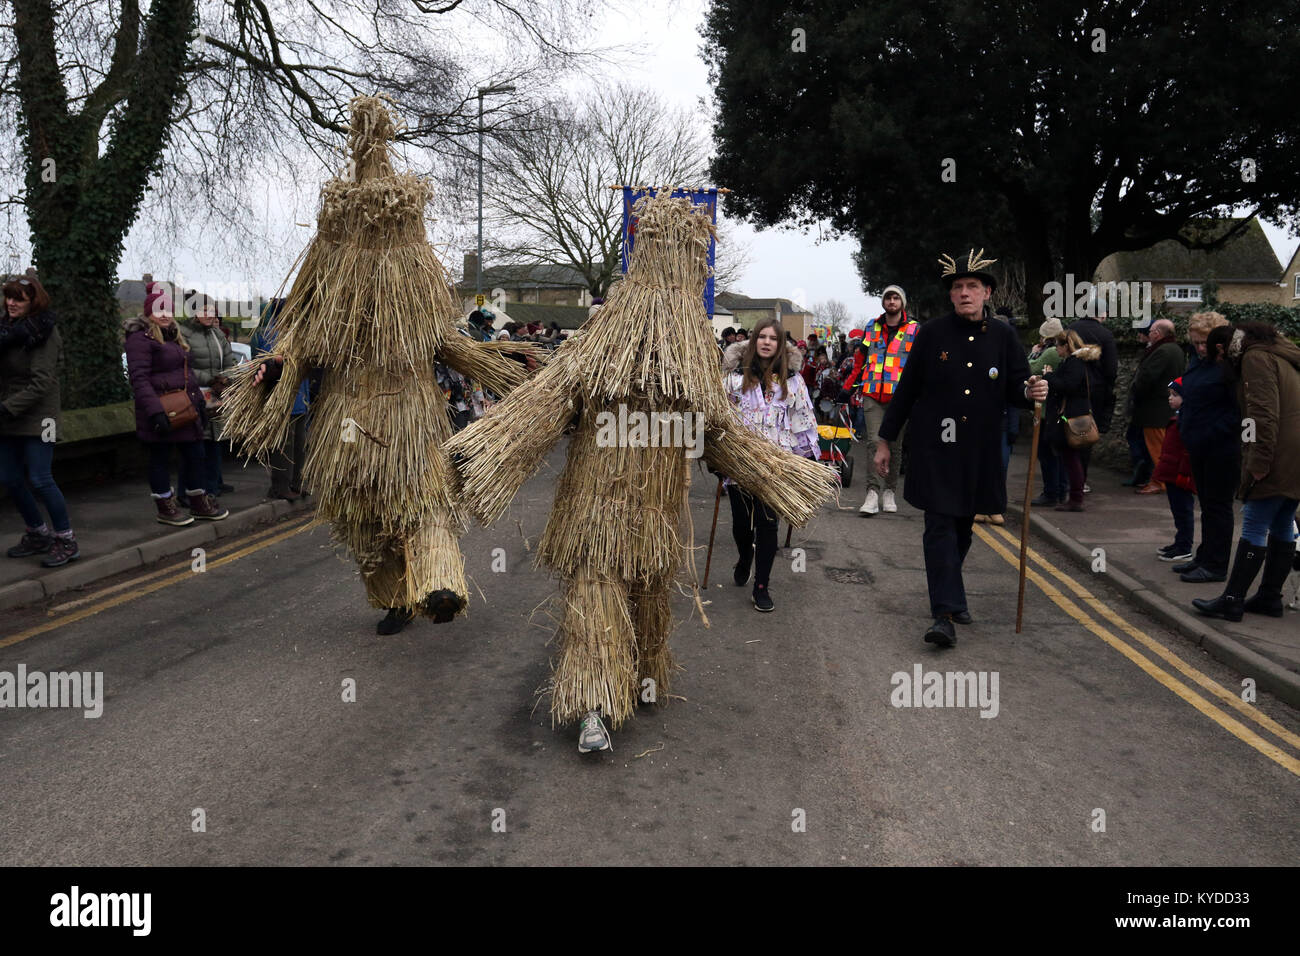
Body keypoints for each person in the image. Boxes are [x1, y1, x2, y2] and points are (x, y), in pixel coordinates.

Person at [876, 250, 1048, 647]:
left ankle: (951, 592)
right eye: (958, 288)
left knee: (962, 526)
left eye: (972, 286)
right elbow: (907, 391)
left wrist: (1032, 390)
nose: (965, 293)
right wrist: (885, 439)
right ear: (950, 296)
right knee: (939, 525)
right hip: (935, 448)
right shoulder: (931, 334)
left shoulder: (1004, 336)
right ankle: (945, 614)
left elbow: (1018, 387)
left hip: (980, 450)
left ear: (987, 293)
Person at [1193, 322, 1300, 621]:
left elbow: (1262, 414)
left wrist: (1258, 463)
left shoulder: (1255, 358)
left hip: (1278, 453)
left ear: (1222, 348)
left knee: (1254, 522)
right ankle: (1268, 597)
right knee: (1281, 522)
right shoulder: (1282, 353)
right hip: (1295, 453)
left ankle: (1232, 600)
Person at [723, 318, 819, 612]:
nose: (766, 342)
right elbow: (720, 418)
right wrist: (717, 455)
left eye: (772, 338)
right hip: (740, 462)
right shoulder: (735, 378)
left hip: (777, 465)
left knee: (767, 525)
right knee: (742, 525)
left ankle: (761, 586)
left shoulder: (792, 381)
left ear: (780, 345)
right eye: (761, 337)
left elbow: (803, 422)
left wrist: (806, 459)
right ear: (753, 343)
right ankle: (744, 557)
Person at [125, 285, 228, 525]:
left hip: (185, 408)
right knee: (159, 458)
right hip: (159, 409)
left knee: (195, 454)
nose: (164, 315)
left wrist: (200, 405)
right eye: (158, 310)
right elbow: (139, 379)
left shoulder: (174, 336)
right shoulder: (140, 339)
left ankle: (198, 501)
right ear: (148, 313)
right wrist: (155, 412)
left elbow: (187, 374)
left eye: (167, 310)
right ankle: (165, 507)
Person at [0, 275, 78, 567]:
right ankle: (37, 533)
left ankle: (66, 539)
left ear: (33, 302)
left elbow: (41, 383)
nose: (10, 303)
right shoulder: (6, 331)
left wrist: (6, 408)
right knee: (8, 477)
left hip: (41, 417)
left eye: (18, 298)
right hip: (10, 413)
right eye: (8, 296)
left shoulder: (45, 333)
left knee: (40, 478)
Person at [1172, 316, 1239, 583]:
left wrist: (1210, 432)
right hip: (1199, 444)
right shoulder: (1199, 362)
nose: (1200, 348)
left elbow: (1237, 411)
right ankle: (1204, 556)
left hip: (1220, 447)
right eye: (1196, 342)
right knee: (1208, 505)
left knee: (1219, 506)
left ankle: (1216, 565)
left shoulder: (1229, 367)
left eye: (1205, 343)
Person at [839, 284, 917, 516]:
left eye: (896, 298)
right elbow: (860, 361)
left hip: (900, 397)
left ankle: (889, 490)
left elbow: (920, 365)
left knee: (894, 445)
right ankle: (872, 493)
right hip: (872, 394)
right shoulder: (871, 327)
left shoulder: (915, 330)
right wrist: (847, 389)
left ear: (902, 303)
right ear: (883, 302)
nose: (892, 302)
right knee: (873, 441)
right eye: (888, 298)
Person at [249, 299, 312, 501]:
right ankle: (280, 486)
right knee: (282, 445)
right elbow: (269, 361)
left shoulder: (297, 334)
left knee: (299, 444)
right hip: (280, 399)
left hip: (300, 398)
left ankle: (296, 483)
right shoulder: (270, 333)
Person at [179, 293, 238, 497]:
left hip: (216, 396)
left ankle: (211, 491)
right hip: (194, 397)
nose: (208, 313)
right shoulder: (183, 333)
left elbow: (230, 363)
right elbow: (182, 367)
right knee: (195, 448)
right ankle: (188, 493)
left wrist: (225, 379)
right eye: (204, 309)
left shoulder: (217, 334)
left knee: (214, 445)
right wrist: (211, 377)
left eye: (211, 309)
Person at [1041, 330, 1103, 511]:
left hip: (1073, 416)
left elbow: (1068, 386)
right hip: (1075, 414)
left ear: (1066, 346)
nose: (1056, 349)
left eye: (1057, 346)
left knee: (1072, 458)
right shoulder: (1075, 362)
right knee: (1071, 458)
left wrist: (1049, 376)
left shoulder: (1075, 363)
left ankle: (1076, 499)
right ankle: (1074, 497)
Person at [1127, 318, 1185, 494]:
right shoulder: (1176, 349)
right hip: (1164, 407)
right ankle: (1161, 480)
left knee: (1157, 448)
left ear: (1158, 333)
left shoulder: (1161, 351)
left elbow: (1147, 378)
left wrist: (1135, 390)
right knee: (1163, 447)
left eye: (1151, 331)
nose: (1148, 334)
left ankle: (1159, 481)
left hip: (1154, 409)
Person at [1151, 377, 1197, 562]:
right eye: (1170, 394)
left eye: (1175, 395)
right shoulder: (1179, 417)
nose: (1170, 398)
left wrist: (1184, 474)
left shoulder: (1186, 420)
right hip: (1173, 472)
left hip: (1180, 474)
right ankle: (1179, 543)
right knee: (1178, 511)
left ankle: (1184, 547)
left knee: (1183, 511)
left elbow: (1187, 451)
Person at [1028, 318, 1067, 507]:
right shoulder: (1061, 350)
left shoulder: (1051, 352)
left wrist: (1033, 354)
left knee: (1047, 454)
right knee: (1057, 454)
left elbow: (1030, 370)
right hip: (1057, 410)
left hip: (1047, 412)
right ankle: (1059, 491)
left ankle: (1051, 493)